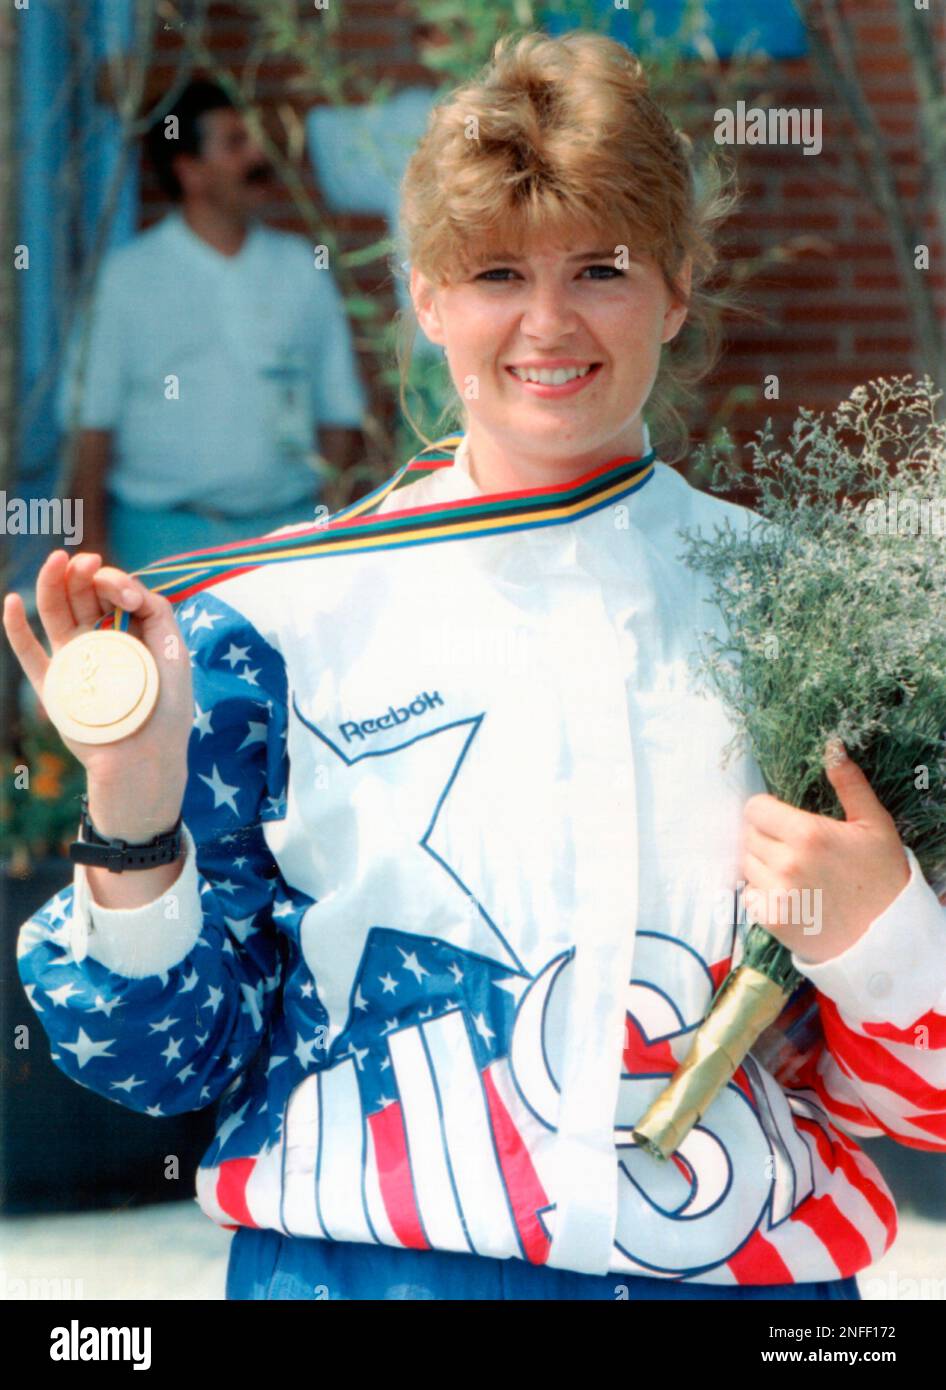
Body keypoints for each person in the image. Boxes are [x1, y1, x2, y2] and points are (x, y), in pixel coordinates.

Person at [6, 31, 946, 1301]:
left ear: (677, 289)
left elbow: (918, 1107)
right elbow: (160, 1064)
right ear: (427, 297)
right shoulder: (272, 625)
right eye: (497, 271)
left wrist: (887, 935)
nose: (547, 323)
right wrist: (131, 812)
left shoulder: (812, 618)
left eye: (602, 269)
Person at [58, 78, 368, 573]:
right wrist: (91, 550)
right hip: (157, 541)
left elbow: (340, 410)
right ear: (189, 173)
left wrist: (328, 528)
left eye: (255, 137)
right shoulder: (128, 278)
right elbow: (88, 426)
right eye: (235, 143)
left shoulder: (302, 267)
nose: (258, 155)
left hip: (287, 539)